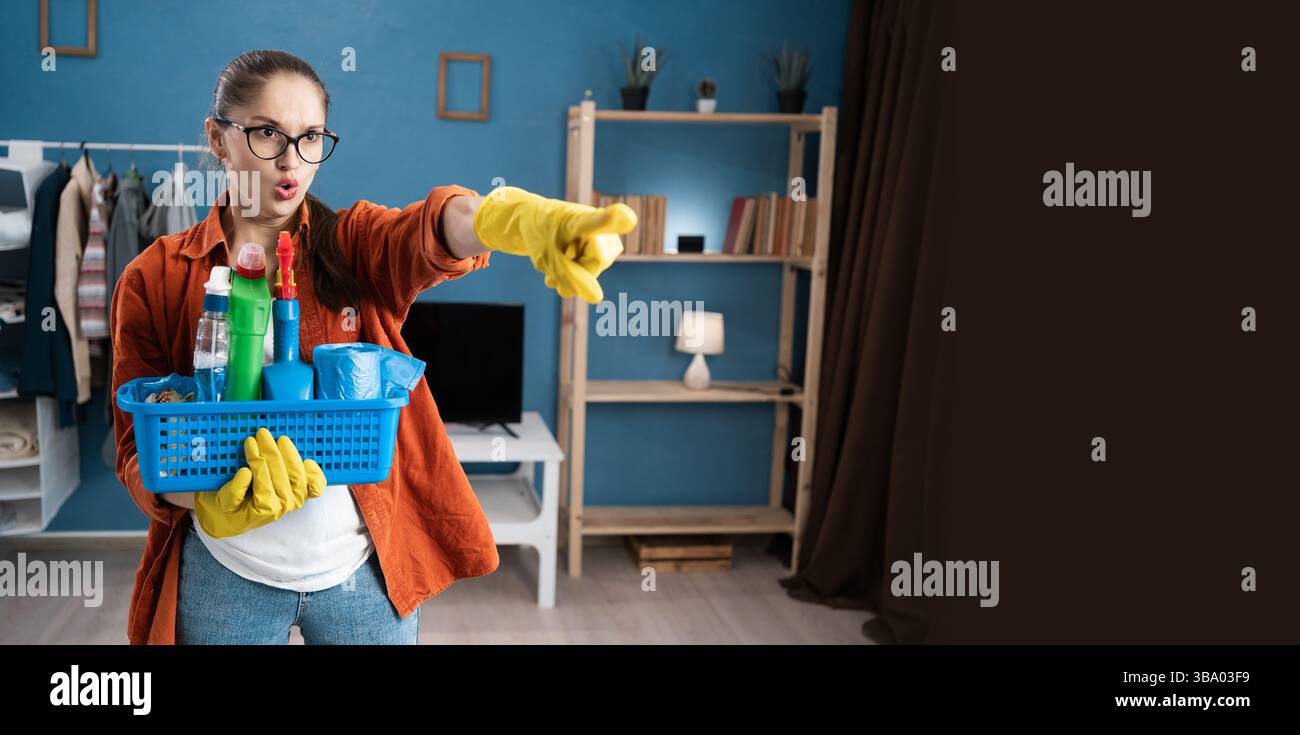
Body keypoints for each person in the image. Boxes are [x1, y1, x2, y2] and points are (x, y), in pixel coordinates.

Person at [110, 49, 634, 644]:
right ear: (218, 139)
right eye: (265, 134)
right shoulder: (154, 279)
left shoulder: (353, 245)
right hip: (224, 576)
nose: (291, 161)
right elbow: (136, 453)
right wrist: (206, 498)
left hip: (362, 577)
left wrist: (504, 219)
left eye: (310, 138)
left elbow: (428, 230)